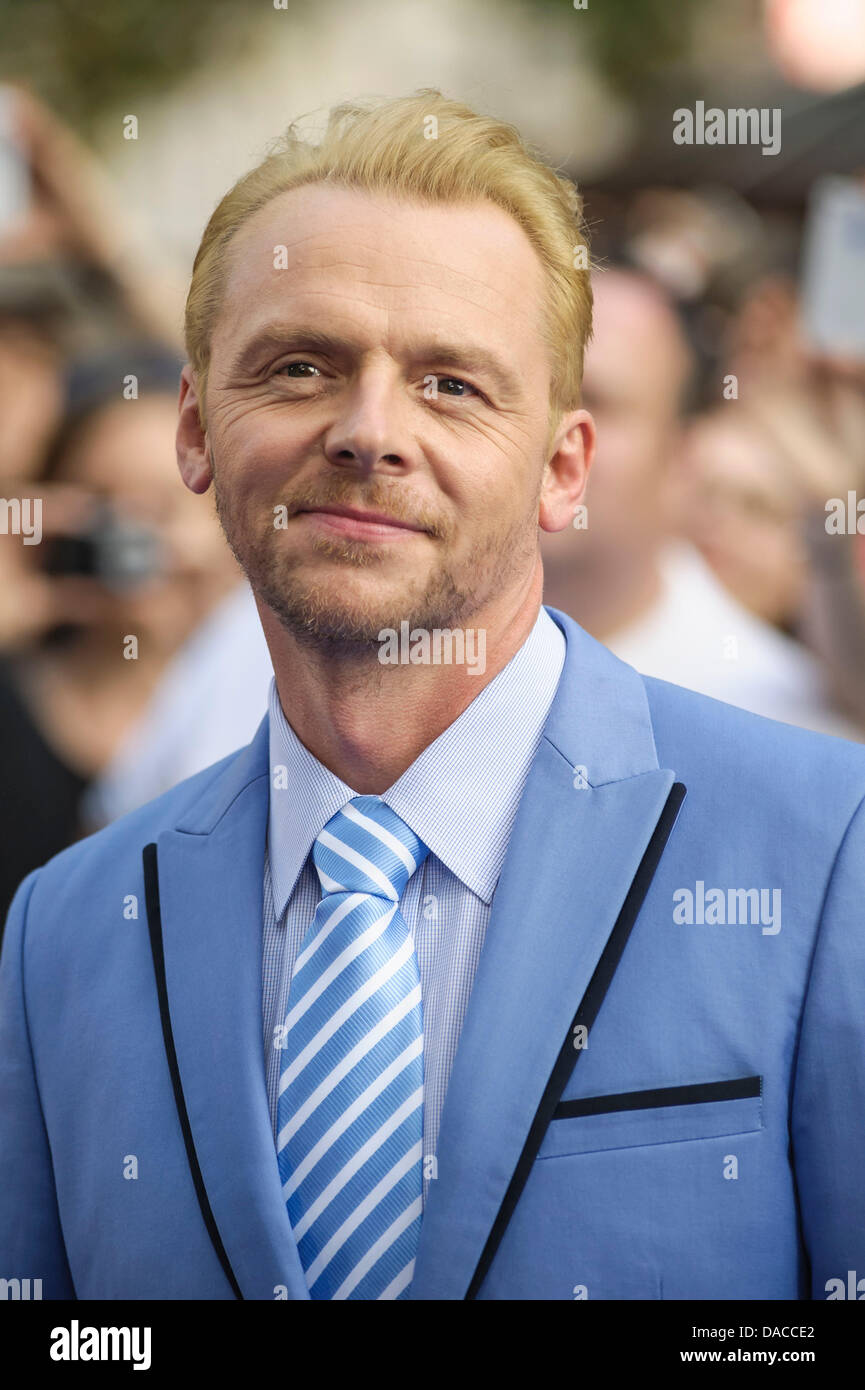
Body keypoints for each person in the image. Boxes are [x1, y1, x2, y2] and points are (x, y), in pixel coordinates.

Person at [1, 89, 864, 1302]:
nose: (369, 432)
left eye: (452, 384)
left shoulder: (823, 848)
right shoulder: (66, 927)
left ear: (563, 468)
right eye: (300, 367)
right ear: (196, 428)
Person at [540, 265, 861, 739]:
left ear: (679, 452)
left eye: (595, 401)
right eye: (526, 391)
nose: (547, 431)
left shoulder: (766, 717)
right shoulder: (432, 643)